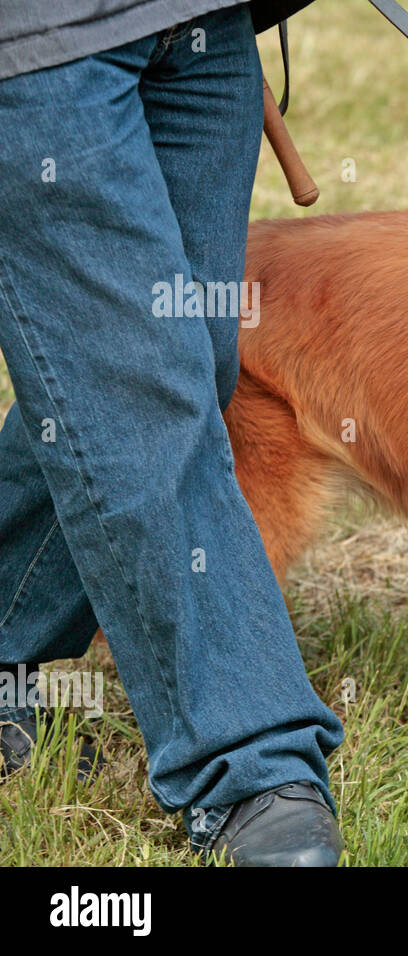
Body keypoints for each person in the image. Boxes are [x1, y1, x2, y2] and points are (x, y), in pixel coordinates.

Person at [0, 0, 345, 866]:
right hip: (39, 44)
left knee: (188, 366)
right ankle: (250, 762)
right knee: (138, 394)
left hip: (199, 24)